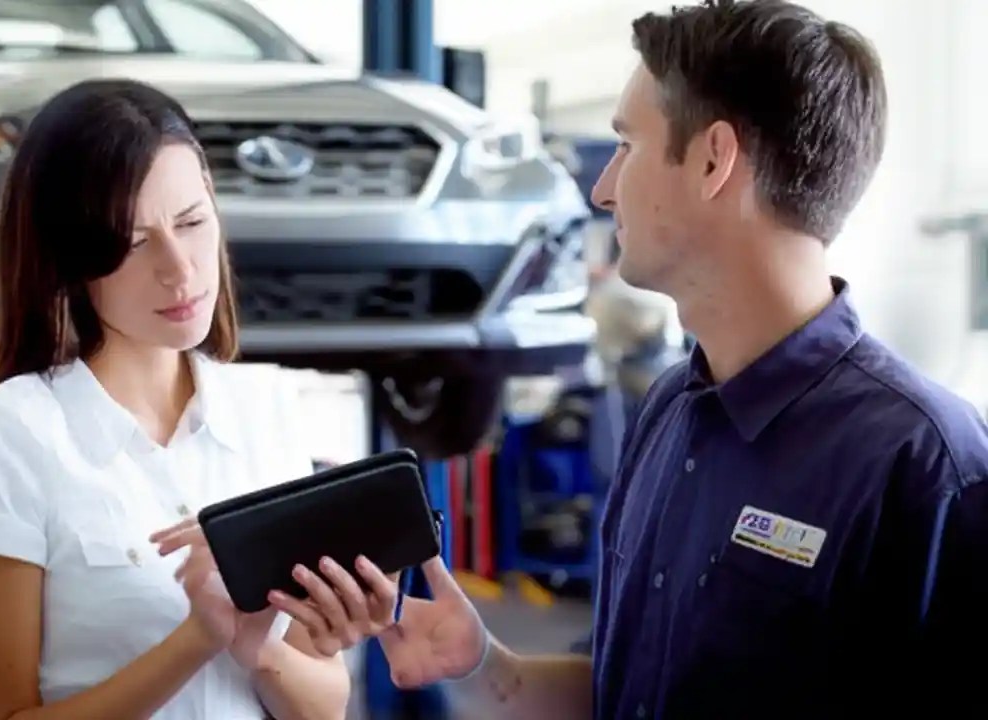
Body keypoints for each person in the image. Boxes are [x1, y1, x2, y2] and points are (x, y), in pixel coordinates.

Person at [267, 1, 988, 718]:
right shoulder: (672, 410)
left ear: (713, 160)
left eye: (625, 146)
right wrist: (486, 666)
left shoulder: (926, 465)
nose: (602, 189)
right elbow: (622, 693)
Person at [0, 78, 399, 720]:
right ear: (70, 261)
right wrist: (199, 636)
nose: (180, 267)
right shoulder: (12, 435)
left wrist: (261, 651)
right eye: (136, 243)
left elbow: (323, 705)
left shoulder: (264, 408)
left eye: (193, 222)